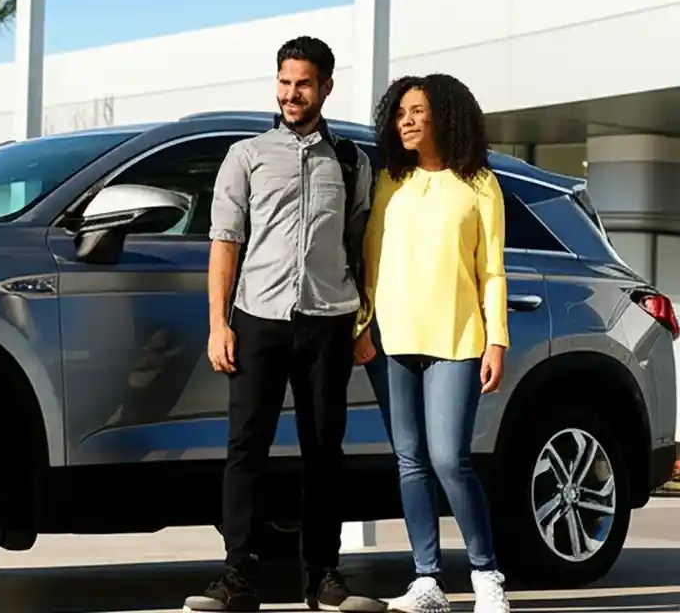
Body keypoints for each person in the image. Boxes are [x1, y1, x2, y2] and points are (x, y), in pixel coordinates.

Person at [185, 36, 384, 613]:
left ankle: (323, 577)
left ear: (326, 87)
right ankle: (237, 578)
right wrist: (218, 323)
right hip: (258, 320)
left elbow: (360, 248)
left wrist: (364, 324)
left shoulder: (350, 161)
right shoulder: (246, 156)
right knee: (246, 448)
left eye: (303, 84)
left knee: (324, 450)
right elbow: (225, 242)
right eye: (284, 82)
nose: (292, 94)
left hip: (328, 321)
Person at [353, 73, 511, 613]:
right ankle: (427, 581)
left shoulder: (479, 184)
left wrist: (496, 341)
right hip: (391, 340)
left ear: (445, 114)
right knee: (410, 461)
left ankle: (486, 575)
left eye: (417, 111)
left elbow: (492, 271)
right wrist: (361, 327)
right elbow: (369, 262)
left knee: (449, 458)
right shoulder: (388, 183)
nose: (407, 121)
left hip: (457, 339)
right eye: (400, 114)